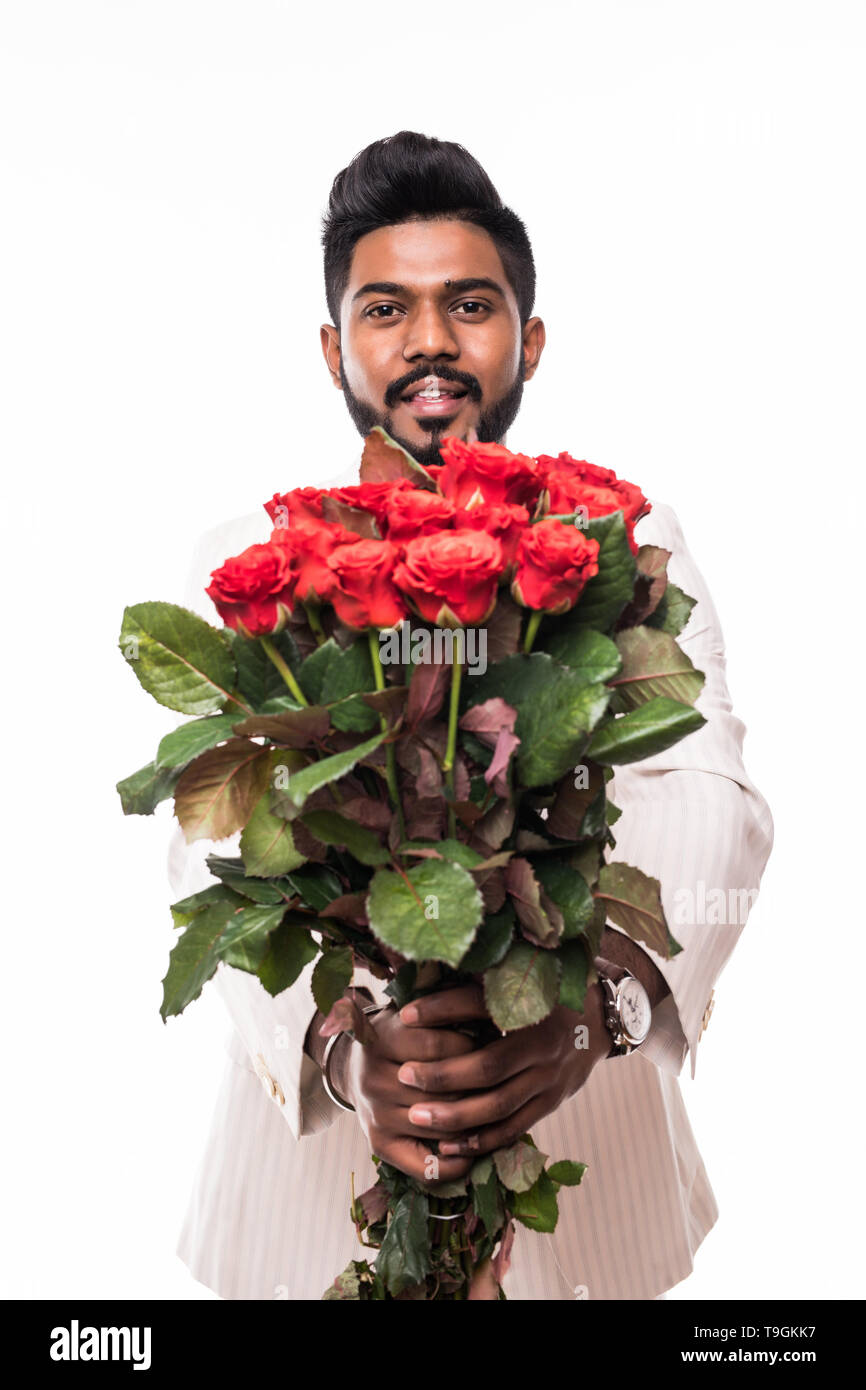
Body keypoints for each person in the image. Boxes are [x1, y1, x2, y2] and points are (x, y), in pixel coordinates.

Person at [169, 131, 774, 1300]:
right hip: (298, 1222)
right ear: (334, 348)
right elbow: (211, 848)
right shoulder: (249, 564)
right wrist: (344, 1052)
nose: (429, 340)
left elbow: (712, 795)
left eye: (469, 304)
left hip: (587, 1207)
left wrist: (592, 1010)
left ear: (526, 338)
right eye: (384, 308)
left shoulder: (623, 546)